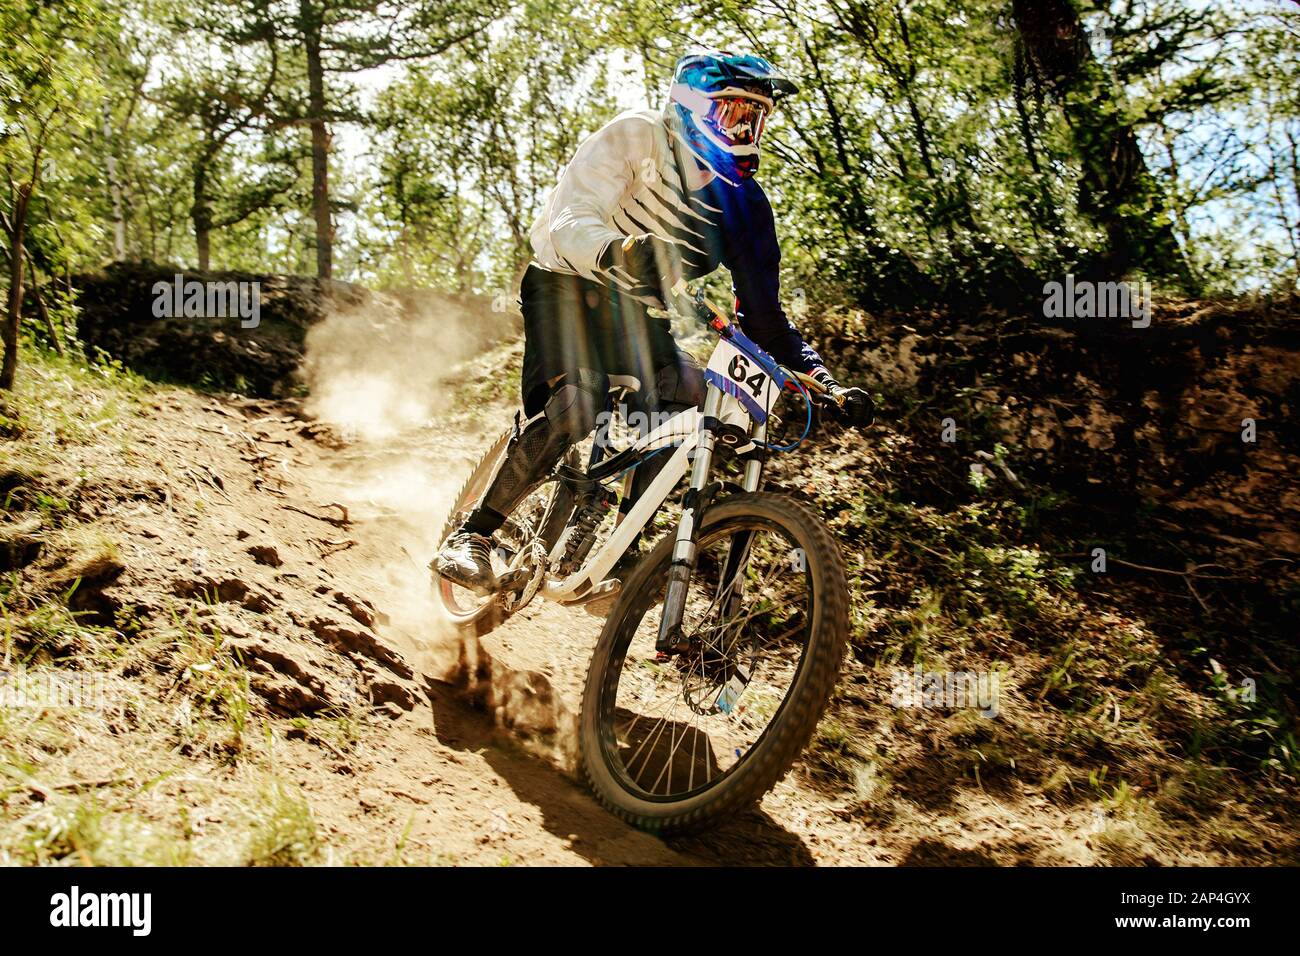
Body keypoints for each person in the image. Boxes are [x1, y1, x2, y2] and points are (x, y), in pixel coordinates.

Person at [436, 47, 873, 593]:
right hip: (567, 281)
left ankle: (622, 550)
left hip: (637, 311)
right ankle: (473, 536)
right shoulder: (637, 136)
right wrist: (619, 250)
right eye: (732, 113)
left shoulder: (746, 208)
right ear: (690, 107)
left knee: (687, 396)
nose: (744, 131)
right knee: (579, 402)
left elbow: (764, 319)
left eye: (755, 118)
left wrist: (825, 382)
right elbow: (569, 218)